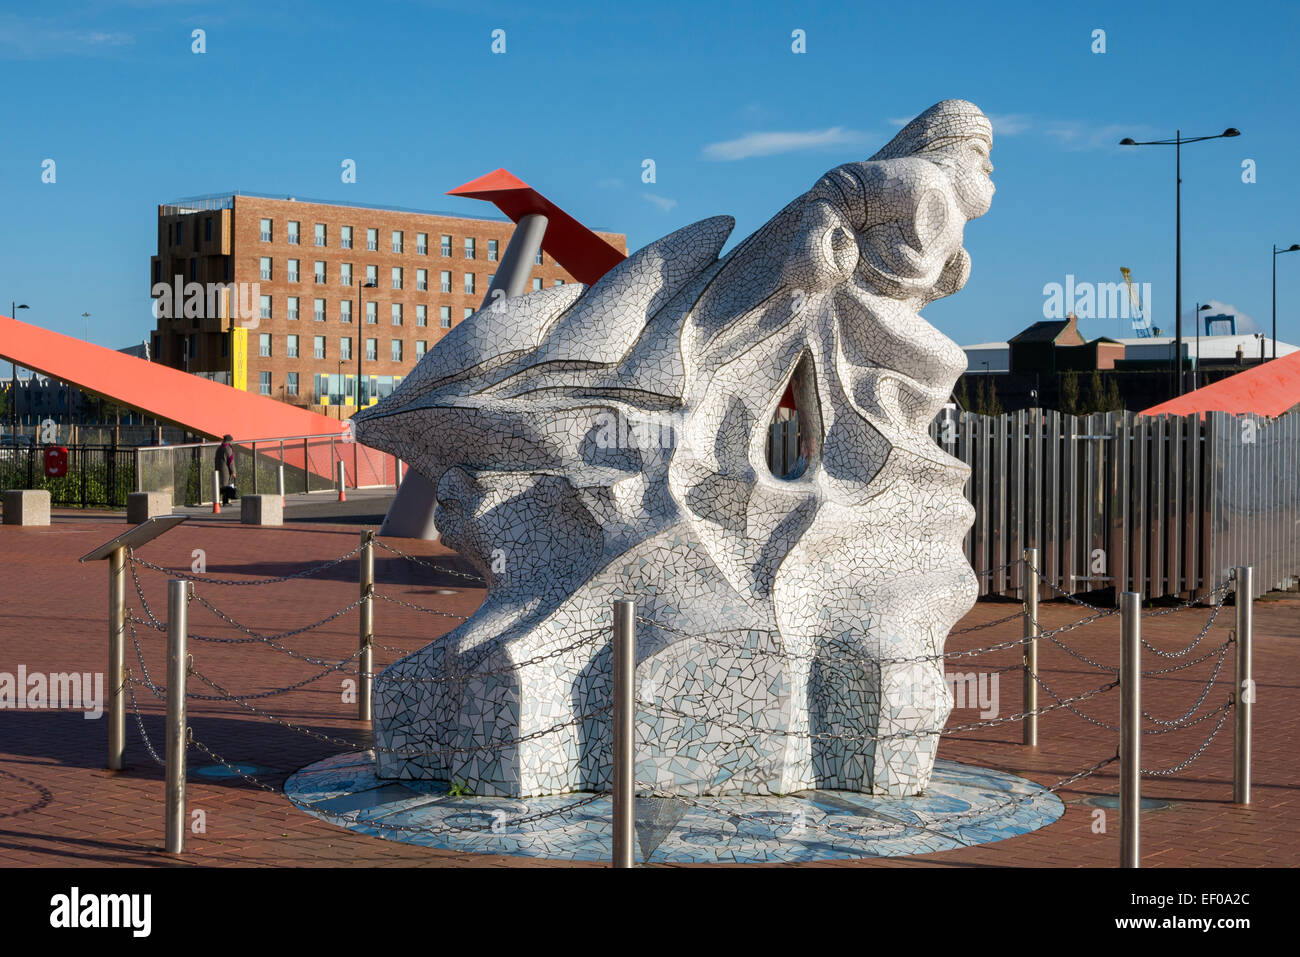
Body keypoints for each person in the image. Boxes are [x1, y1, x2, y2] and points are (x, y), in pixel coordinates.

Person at [215, 434, 237, 505]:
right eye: (231, 441)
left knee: (221, 485)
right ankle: (225, 502)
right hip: (226, 470)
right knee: (226, 486)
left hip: (218, 469)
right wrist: (233, 471)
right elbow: (231, 461)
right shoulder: (228, 449)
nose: (232, 442)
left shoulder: (219, 448)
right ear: (229, 441)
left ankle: (219, 501)